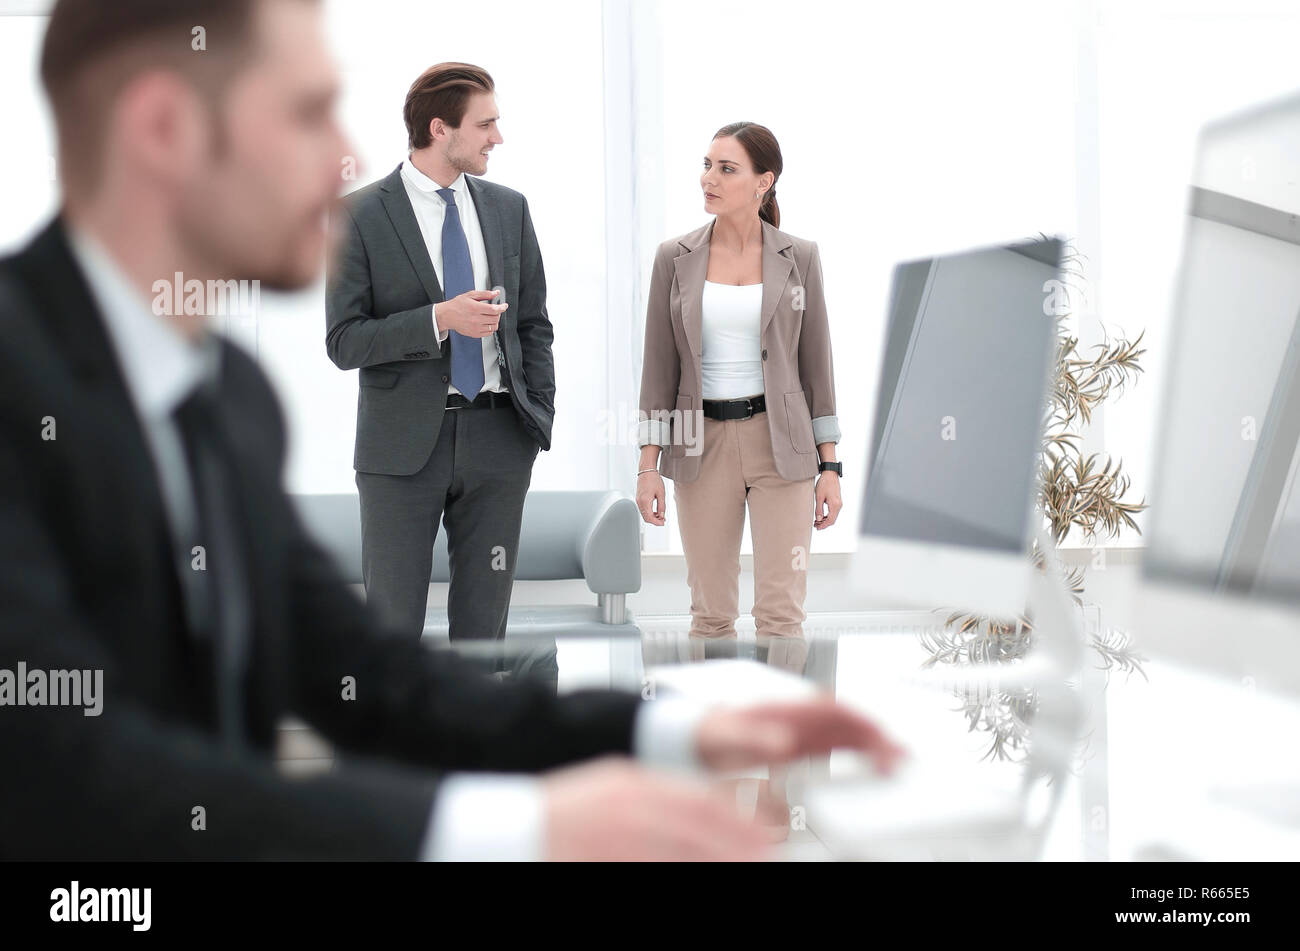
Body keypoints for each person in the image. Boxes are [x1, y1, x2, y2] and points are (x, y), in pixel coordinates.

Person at [0, 0, 902, 861]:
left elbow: (366, 672)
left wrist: (663, 726)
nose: (345, 154)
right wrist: (514, 829)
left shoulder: (228, 400)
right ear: (164, 128)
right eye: (309, 111)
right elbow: (79, 765)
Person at [326, 62, 548, 643]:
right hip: (400, 451)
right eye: (485, 124)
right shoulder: (359, 216)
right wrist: (438, 320)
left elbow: (533, 325)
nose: (497, 137)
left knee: (483, 634)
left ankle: (475, 737)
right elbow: (344, 341)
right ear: (439, 129)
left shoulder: (508, 208)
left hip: (499, 441)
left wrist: (535, 419)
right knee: (391, 629)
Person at [637, 122, 845, 642]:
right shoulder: (674, 257)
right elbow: (658, 370)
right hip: (698, 443)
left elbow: (817, 368)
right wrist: (647, 467)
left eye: (726, 168)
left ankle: (786, 724)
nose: (709, 177)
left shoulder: (800, 257)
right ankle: (714, 725)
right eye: (707, 165)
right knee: (710, 617)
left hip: (783, 444)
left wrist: (831, 467)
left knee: (781, 617)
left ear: (763, 182)